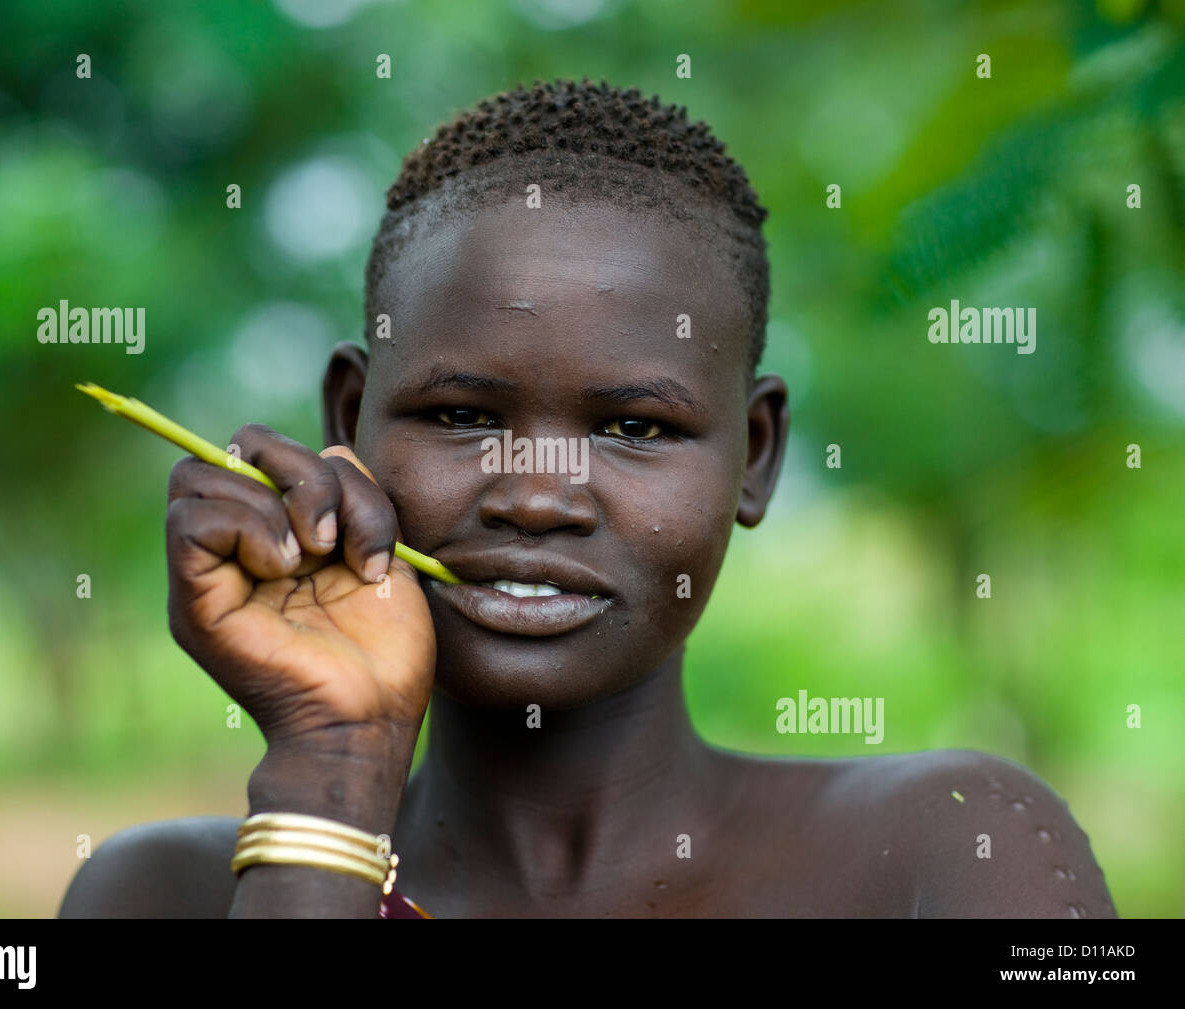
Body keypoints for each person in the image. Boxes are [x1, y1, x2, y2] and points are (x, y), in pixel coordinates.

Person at [59, 79, 1115, 918]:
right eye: (462, 415)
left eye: (634, 429)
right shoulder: (163, 894)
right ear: (349, 419)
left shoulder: (945, 849)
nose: (533, 497)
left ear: (753, 455)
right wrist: (330, 778)